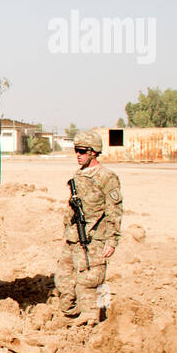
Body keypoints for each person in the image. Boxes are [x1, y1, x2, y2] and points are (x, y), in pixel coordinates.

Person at [54, 130, 123, 323]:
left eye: (82, 151)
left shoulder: (106, 178)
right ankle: (76, 315)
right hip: (73, 237)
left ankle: (97, 319)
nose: (78, 154)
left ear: (93, 152)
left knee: (91, 280)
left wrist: (112, 241)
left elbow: (114, 211)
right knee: (63, 281)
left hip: (94, 239)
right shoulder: (79, 175)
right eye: (76, 150)